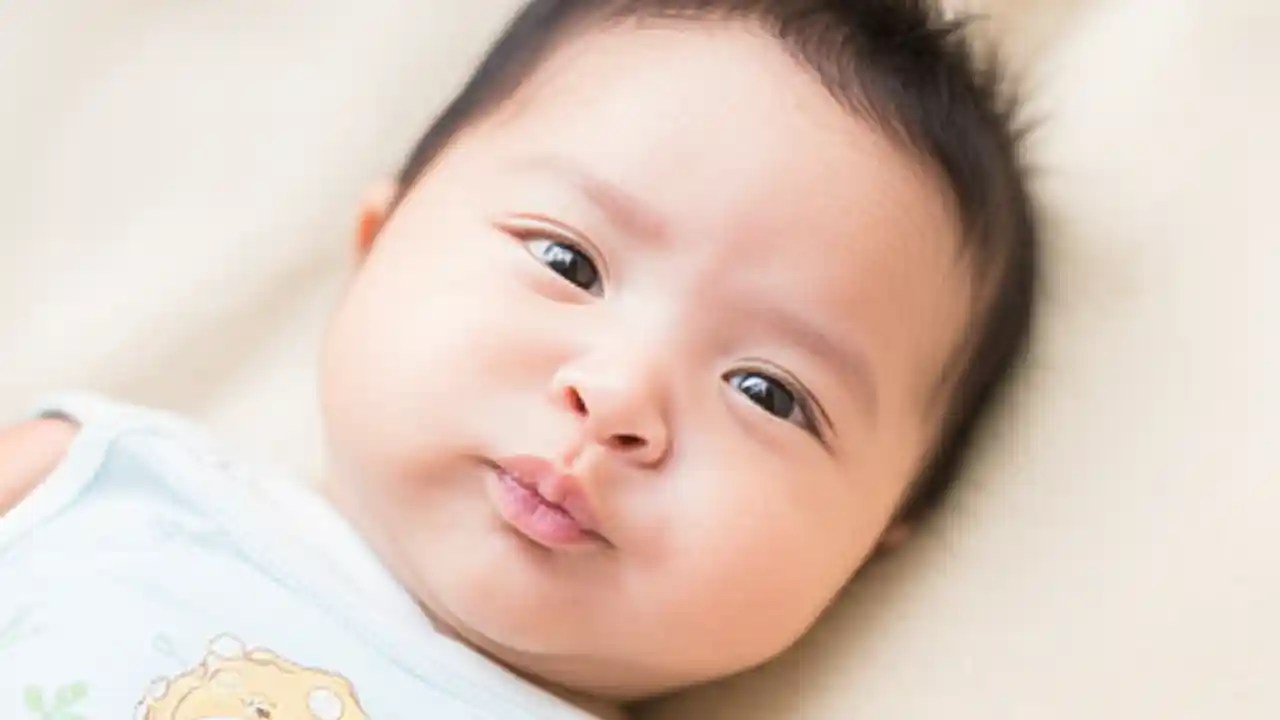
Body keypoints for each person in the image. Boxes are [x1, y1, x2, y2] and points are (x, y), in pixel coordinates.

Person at [0, 1, 1036, 717]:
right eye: (567, 261)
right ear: (378, 241)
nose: (617, 396)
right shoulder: (100, 476)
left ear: (879, 535)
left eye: (766, 392)